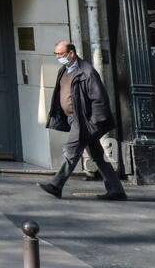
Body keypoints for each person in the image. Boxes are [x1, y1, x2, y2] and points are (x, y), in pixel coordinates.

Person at [40, 41, 127, 200]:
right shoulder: (64, 70)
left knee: (71, 151)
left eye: (60, 54)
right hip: (74, 119)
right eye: (56, 54)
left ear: (71, 53)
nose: (58, 57)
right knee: (98, 156)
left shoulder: (87, 72)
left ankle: (56, 185)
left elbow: (99, 99)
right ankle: (116, 190)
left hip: (84, 121)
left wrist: (93, 123)